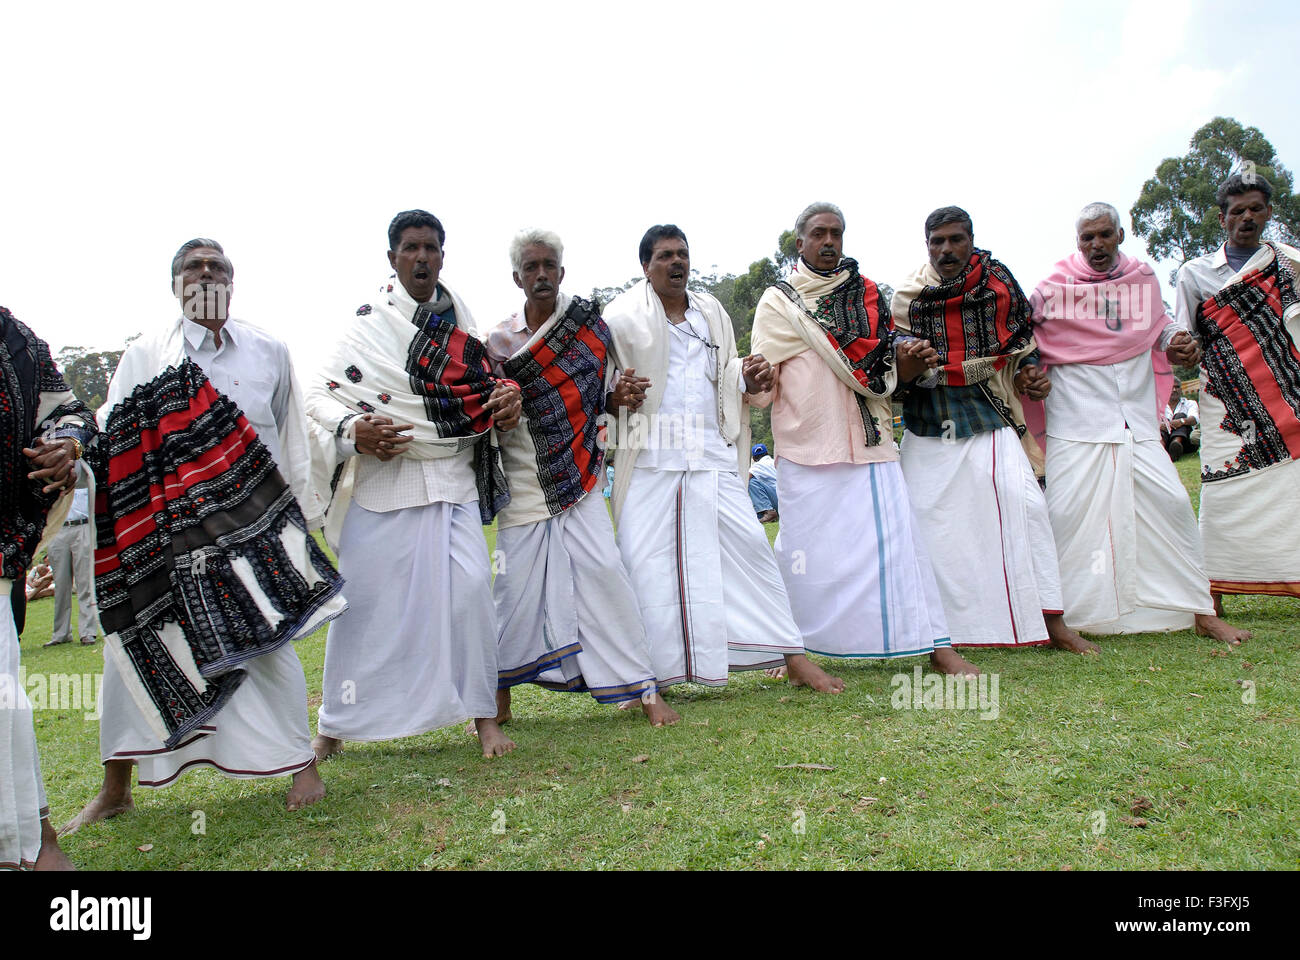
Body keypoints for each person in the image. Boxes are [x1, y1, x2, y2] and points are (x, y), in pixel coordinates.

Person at [65, 239, 344, 834]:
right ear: (175, 286)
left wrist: (301, 515)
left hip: (250, 527)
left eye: (218, 266)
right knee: (135, 655)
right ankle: (115, 789)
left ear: (232, 283)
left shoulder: (268, 350)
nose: (207, 274)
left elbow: (290, 434)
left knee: (270, 643)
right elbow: (110, 438)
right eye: (194, 267)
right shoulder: (145, 356)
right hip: (166, 534)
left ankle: (301, 767)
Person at [307, 210, 522, 760]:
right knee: (361, 604)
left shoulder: (462, 324)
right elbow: (318, 396)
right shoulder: (367, 323)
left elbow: (482, 392)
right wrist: (353, 431)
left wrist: (501, 400)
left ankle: (483, 719)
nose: (421, 257)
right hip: (385, 481)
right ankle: (332, 727)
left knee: (472, 593)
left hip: (451, 478)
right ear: (392, 258)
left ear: (442, 256)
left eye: (430, 248)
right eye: (410, 248)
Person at [603, 225, 843, 693]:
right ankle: (649, 679)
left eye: (683, 255)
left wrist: (748, 377)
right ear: (645, 266)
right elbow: (604, 384)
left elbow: (726, 371)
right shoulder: (620, 318)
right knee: (644, 565)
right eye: (666, 256)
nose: (678, 263)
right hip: (652, 456)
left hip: (711, 454)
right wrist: (616, 396)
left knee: (752, 552)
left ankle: (793, 658)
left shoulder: (710, 310)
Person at [750, 202, 974, 674]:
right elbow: (763, 385)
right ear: (800, 243)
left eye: (836, 233)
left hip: (868, 440)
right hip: (807, 444)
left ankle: (936, 646)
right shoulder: (778, 302)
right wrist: (753, 379)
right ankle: (789, 651)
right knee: (801, 554)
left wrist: (910, 357)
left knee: (899, 544)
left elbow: (888, 364)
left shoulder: (867, 294)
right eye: (819, 234)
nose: (829, 241)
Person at [1029, 201, 1248, 643]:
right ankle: (1058, 621)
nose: (1096, 244)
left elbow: (1160, 326)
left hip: (1135, 419)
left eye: (1104, 235)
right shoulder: (1053, 287)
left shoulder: (1142, 279)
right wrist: (1028, 371)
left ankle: (1200, 612)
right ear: (1077, 242)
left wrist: (1177, 341)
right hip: (1077, 418)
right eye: (1087, 237)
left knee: (1171, 506)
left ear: (1120, 235)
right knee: (1067, 517)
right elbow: (1028, 339)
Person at [483, 229, 678, 726]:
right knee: (512, 589)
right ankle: (496, 698)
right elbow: (492, 413)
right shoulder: (498, 341)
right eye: (532, 267)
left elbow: (602, 395)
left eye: (549, 265)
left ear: (562, 272)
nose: (542, 274)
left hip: (583, 471)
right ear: (517, 277)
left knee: (605, 574)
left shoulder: (589, 329)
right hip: (526, 479)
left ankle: (645, 688)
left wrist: (620, 395)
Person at [892, 207, 1093, 652]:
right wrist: (909, 356)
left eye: (955, 240)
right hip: (929, 423)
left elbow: (1024, 346)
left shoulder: (999, 284)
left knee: (1027, 509)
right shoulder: (908, 294)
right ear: (926, 245)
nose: (946, 250)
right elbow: (895, 354)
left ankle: (1051, 623)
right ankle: (940, 633)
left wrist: (1031, 374)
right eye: (937, 241)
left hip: (988, 411)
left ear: (971, 239)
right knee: (929, 527)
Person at [1174, 171, 1300, 608]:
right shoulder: (1194, 273)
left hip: (1287, 399)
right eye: (1237, 211)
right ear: (1222, 217)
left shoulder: (1289, 265)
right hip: (1223, 402)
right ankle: (1215, 591)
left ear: (1269, 212)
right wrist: (1182, 349)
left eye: (1255, 209)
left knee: (1292, 493)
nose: (1246, 217)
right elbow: (1184, 337)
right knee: (1224, 490)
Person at [2, 305, 94, 869]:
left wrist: (67, 446)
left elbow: (69, 412)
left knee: (3, 700)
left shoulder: (12, 339)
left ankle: (32, 841)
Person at [41, 482, 99, 646]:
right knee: (60, 584)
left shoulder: (84, 467)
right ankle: (61, 633)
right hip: (58, 530)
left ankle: (88, 632)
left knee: (84, 583)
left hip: (82, 525)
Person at [1162, 382, 1199, 460]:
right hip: (1166, 441)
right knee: (1162, 421)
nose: (1174, 390)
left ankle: (1176, 444)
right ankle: (1161, 450)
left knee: (1180, 416)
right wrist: (1161, 425)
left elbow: (1194, 419)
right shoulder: (1158, 405)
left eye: (1177, 387)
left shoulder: (1190, 403)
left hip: (1186, 443)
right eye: (1171, 387)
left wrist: (1181, 421)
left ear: (1181, 389)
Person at [747, 443, 779, 522]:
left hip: (778, 501)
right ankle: (768, 515)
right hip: (788, 500)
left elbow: (745, 480)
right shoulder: (775, 462)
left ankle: (769, 512)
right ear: (767, 453)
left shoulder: (756, 467)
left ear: (754, 458)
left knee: (752, 482)